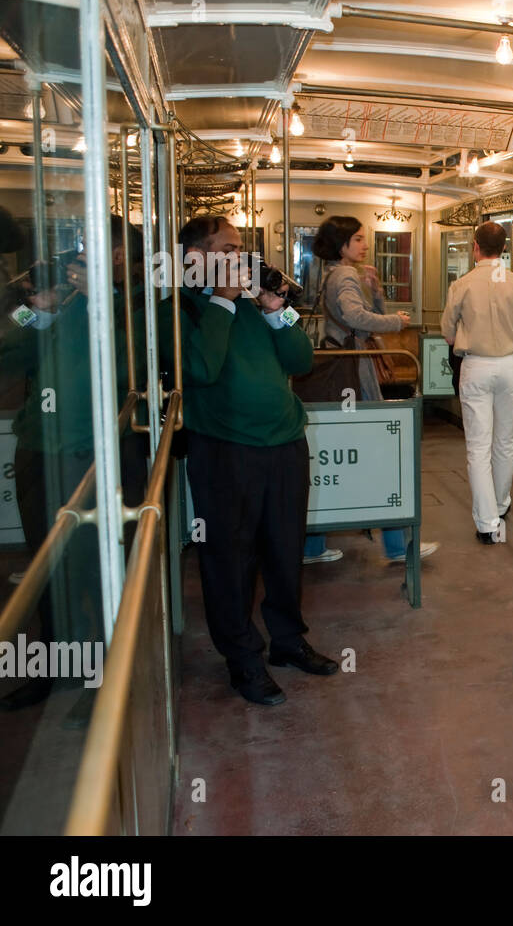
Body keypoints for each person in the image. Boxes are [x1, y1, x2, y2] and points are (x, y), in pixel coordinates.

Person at [177, 215, 337, 706]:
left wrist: (275, 311)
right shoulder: (180, 308)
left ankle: (287, 641)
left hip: (285, 444)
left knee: (285, 549)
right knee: (230, 558)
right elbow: (201, 368)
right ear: (197, 258)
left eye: (241, 247)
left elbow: (300, 360)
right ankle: (242, 657)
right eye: (228, 248)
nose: (240, 256)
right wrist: (223, 300)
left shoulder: (254, 305)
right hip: (225, 451)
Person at [1, 217, 149, 719]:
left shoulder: (137, 304)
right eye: (88, 250)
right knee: (46, 563)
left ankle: (103, 676)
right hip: (39, 448)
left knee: (95, 569)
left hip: (96, 455)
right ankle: (55, 664)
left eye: (108, 253)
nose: (90, 261)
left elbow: (130, 371)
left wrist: (99, 299)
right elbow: (9, 350)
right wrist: (30, 308)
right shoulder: (59, 302)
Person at [301, 216, 438, 566]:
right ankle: (396, 545)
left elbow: (357, 312)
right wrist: (397, 322)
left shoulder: (329, 273)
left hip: (338, 369)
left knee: (336, 450)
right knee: (378, 453)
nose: (364, 245)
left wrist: (375, 291)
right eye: (358, 239)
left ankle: (312, 546)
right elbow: (356, 318)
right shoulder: (345, 275)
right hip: (353, 372)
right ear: (342, 243)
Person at [441, 222, 513, 545]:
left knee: (478, 447)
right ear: (506, 248)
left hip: (477, 365)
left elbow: (448, 333)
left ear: (475, 246)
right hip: (511, 367)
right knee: (505, 441)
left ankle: (487, 523)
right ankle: (500, 503)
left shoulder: (461, 285)